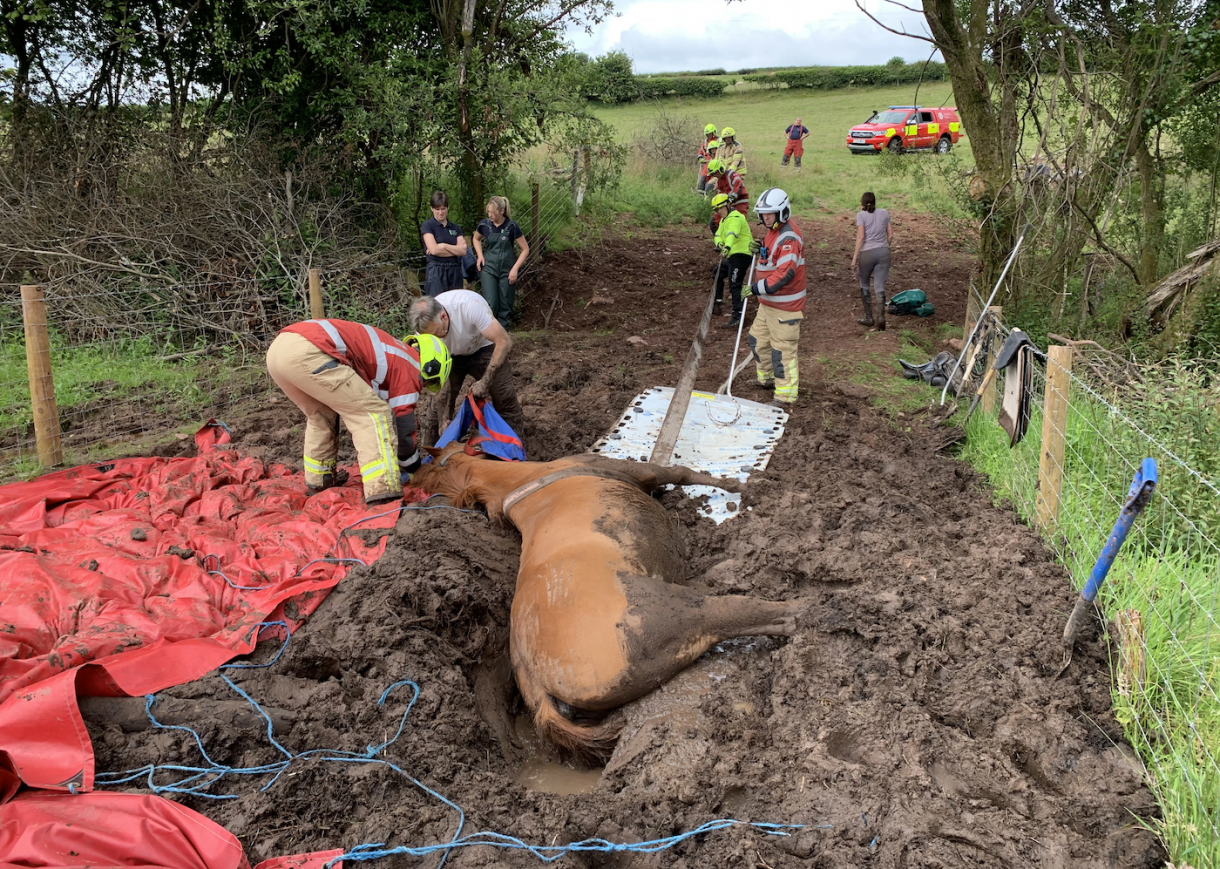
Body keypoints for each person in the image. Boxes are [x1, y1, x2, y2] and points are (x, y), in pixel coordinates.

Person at [266, 320, 452, 505]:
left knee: (321, 417)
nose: (423, 387)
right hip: (310, 350)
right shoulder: (411, 366)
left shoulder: (394, 352)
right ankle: (383, 491)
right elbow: (404, 426)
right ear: (433, 366)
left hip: (281, 349)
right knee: (374, 413)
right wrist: (413, 467)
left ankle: (319, 482)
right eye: (430, 382)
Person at [408, 290, 527, 447]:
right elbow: (437, 381)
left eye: (438, 334)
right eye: (432, 337)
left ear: (443, 316)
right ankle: (430, 458)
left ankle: (515, 450)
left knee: (505, 398)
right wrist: (443, 418)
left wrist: (484, 382)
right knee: (436, 411)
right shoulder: (423, 329)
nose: (437, 338)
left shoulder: (469, 306)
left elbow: (504, 342)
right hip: (449, 356)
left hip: (483, 348)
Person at [742, 188, 805, 407]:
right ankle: (766, 379)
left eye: (770, 214)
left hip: (785, 308)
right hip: (767, 306)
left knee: (782, 352)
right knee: (757, 341)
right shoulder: (773, 231)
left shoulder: (789, 238)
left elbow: (784, 273)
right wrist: (760, 250)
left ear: (782, 212)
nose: (765, 218)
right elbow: (771, 258)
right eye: (763, 214)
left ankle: (785, 396)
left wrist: (755, 288)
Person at [473, 195, 529, 329]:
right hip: (489, 269)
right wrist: (480, 256)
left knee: (505, 304)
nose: (490, 215)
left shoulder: (512, 227)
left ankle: (503, 334)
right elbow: (476, 239)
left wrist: (515, 269)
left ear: (501, 211)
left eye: (493, 212)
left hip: (507, 271)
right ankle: (489, 334)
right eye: (488, 212)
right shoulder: (484, 225)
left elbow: (525, 249)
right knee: (491, 303)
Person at [850, 191, 893, 331]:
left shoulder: (861, 215)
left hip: (867, 253)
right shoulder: (884, 213)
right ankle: (881, 318)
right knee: (879, 286)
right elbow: (890, 234)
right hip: (884, 252)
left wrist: (855, 258)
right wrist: (885, 247)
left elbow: (861, 237)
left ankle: (869, 318)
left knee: (864, 284)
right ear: (875, 201)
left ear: (862, 202)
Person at [711, 193, 753, 327]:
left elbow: (732, 234)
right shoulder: (724, 220)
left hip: (741, 254)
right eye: (717, 209)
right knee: (717, 273)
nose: (719, 211)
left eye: (721, 208)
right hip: (732, 255)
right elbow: (718, 235)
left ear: (728, 204)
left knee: (734, 283)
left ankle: (738, 316)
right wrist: (719, 244)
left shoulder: (735, 217)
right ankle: (717, 302)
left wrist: (727, 246)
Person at [421, 190, 467, 298]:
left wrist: (443, 246)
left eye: (443, 209)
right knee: (436, 306)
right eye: (437, 209)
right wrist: (455, 249)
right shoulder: (428, 226)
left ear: (447, 208)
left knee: (455, 306)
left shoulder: (455, 228)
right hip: (436, 270)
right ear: (432, 208)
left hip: (455, 270)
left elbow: (463, 251)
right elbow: (434, 250)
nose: (440, 212)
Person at [705, 160, 748, 232]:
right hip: (727, 205)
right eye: (713, 174)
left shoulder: (731, 175)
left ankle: (741, 241)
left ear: (721, 169)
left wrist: (732, 197)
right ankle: (720, 241)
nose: (715, 175)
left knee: (737, 224)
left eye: (715, 173)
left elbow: (738, 185)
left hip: (739, 203)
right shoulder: (719, 182)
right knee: (713, 222)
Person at [696, 124, 718, 193]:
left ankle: (710, 194)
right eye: (707, 134)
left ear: (713, 132)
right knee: (702, 180)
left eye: (710, 133)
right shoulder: (706, 142)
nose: (709, 135)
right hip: (707, 163)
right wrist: (700, 157)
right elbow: (700, 151)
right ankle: (701, 195)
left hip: (717, 163)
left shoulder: (719, 141)